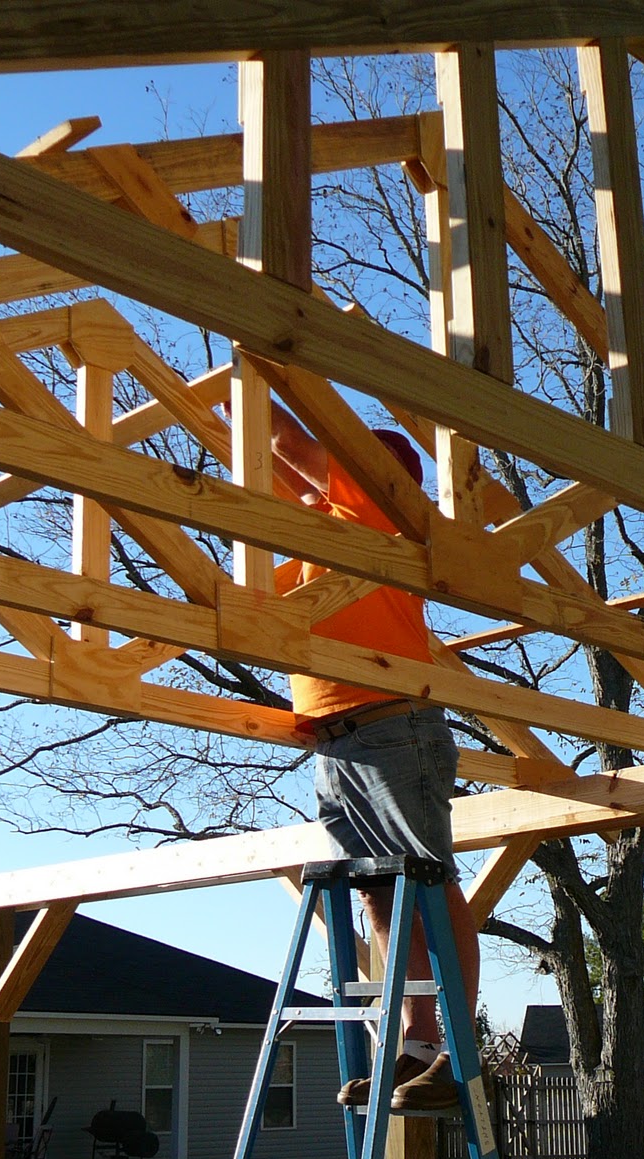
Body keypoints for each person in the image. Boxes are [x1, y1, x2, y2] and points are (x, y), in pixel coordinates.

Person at [248, 397, 481, 1111]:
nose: (319, 482)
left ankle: (456, 1049)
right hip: (336, 741)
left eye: (338, 471)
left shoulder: (376, 514)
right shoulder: (318, 540)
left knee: (430, 881)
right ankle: (414, 1040)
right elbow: (278, 467)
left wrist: (246, 361)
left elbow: (282, 436)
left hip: (390, 725)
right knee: (383, 897)